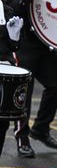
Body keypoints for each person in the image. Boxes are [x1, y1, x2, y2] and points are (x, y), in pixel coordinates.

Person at [0, 0, 57, 156]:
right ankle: (22, 138)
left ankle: (41, 128)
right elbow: (13, 8)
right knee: (22, 95)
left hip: (40, 41)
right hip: (23, 43)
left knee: (56, 84)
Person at [0, 8, 24, 159]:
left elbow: (13, 48)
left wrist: (14, 38)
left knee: (1, 124)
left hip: (2, 69)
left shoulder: (6, 10)